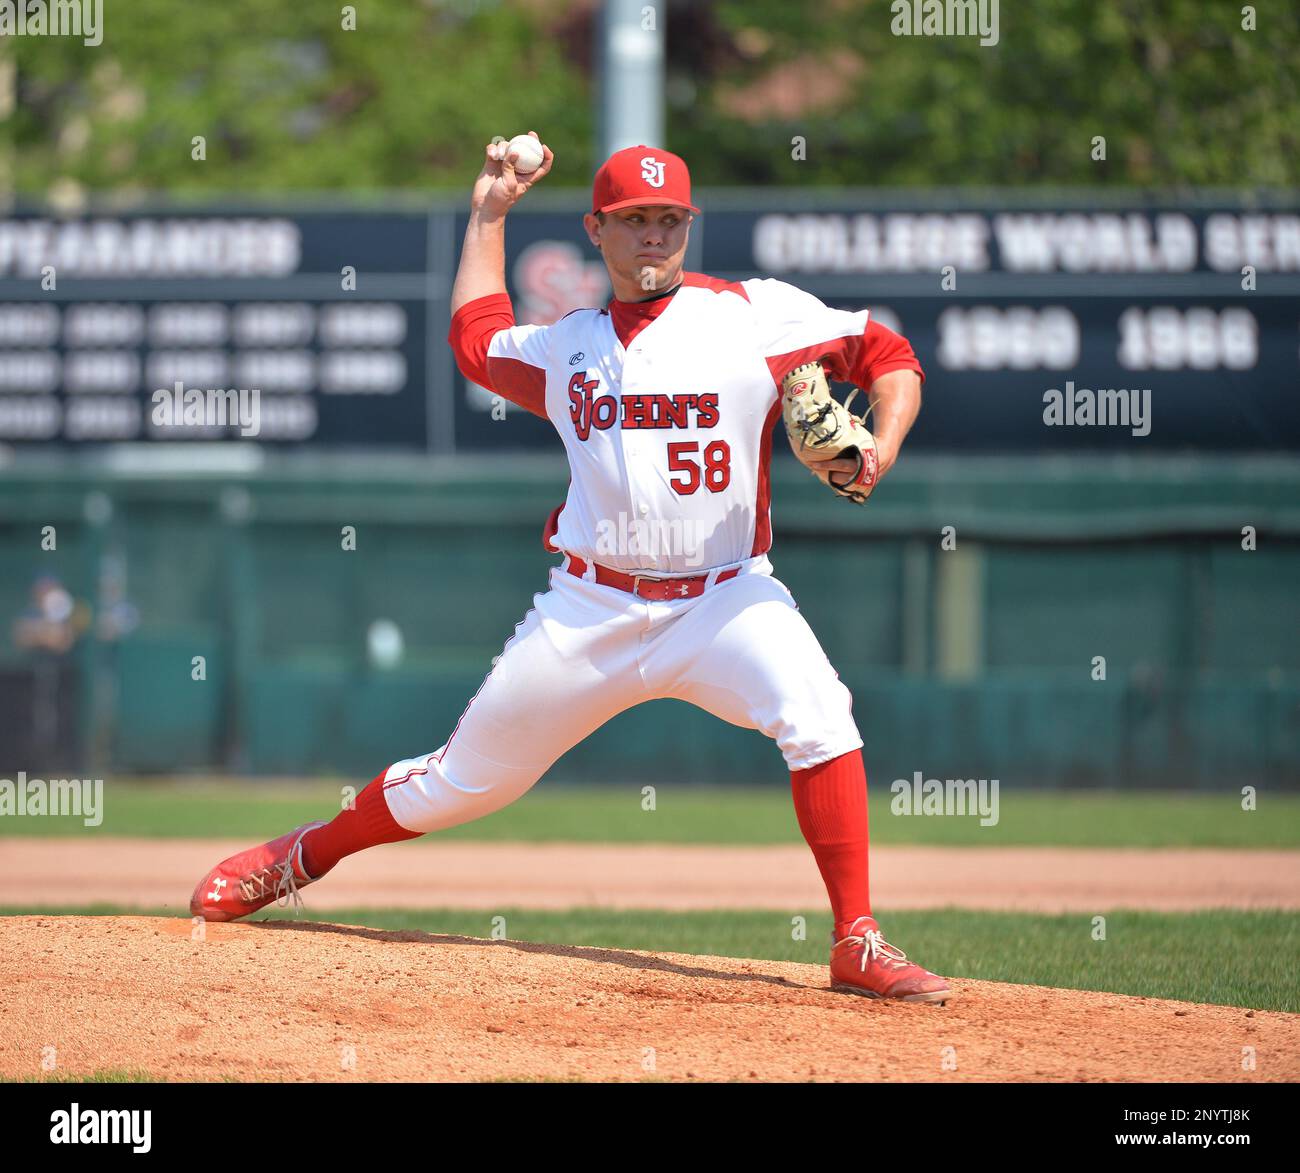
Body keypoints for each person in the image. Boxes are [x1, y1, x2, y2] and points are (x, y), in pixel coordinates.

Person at [191, 134, 952, 1004]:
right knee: (457, 785)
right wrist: (489, 214)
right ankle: (300, 855)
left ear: (688, 226)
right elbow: (475, 340)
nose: (655, 237)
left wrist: (881, 447)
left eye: (670, 219)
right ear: (598, 230)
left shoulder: (752, 314)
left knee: (821, 715)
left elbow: (888, 354)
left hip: (725, 599)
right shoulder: (567, 347)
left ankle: (855, 936)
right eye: (635, 221)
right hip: (590, 607)